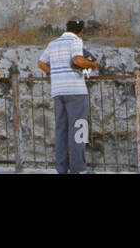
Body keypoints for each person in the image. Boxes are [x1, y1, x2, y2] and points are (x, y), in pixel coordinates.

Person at [37, 19, 98, 174]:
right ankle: (79, 169)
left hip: (58, 91)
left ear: (66, 28)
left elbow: (41, 63)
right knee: (79, 130)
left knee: (61, 130)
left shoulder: (53, 43)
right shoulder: (76, 40)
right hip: (76, 91)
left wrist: (56, 73)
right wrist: (92, 65)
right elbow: (77, 59)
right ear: (81, 30)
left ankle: (61, 168)